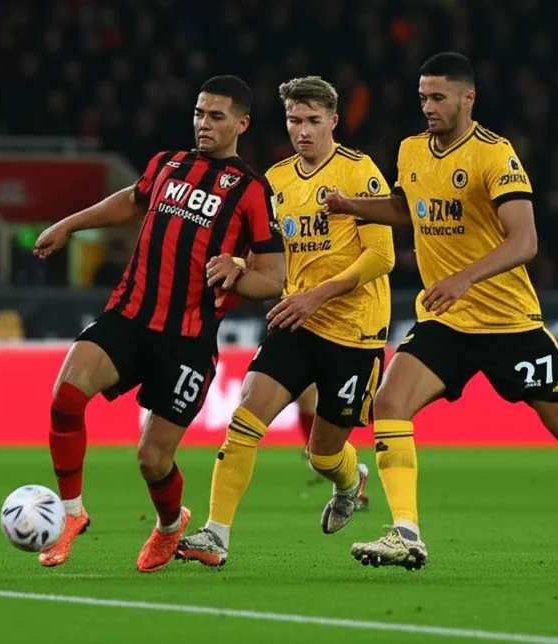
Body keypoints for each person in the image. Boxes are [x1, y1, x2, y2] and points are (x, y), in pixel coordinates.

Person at [325, 53, 558, 574]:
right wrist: (352, 206)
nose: (427, 107)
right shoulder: (411, 150)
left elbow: (525, 241)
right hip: (446, 322)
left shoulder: (494, 155)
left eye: (438, 97)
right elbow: (408, 208)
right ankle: (406, 532)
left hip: (509, 324)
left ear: (466, 98)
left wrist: (462, 278)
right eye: (422, 97)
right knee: (388, 404)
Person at [31, 76, 285, 573]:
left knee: (152, 459)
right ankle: (71, 513)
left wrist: (238, 271)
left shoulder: (252, 191)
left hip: (187, 341)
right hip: (128, 316)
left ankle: (171, 525)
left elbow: (273, 279)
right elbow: (129, 201)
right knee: (66, 396)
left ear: (241, 123)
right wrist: (67, 225)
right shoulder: (168, 164)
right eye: (198, 112)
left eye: (215, 116)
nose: (203, 123)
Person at [177, 76, 391, 567]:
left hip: (354, 329)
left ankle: (348, 479)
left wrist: (319, 294)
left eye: (314, 121)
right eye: (295, 121)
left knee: (323, 454)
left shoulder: (360, 174)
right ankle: (216, 534)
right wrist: (237, 263)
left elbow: (382, 257)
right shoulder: (275, 180)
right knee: (244, 420)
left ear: (333, 121)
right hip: (295, 320)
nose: (303, 131)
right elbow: (264, 252)